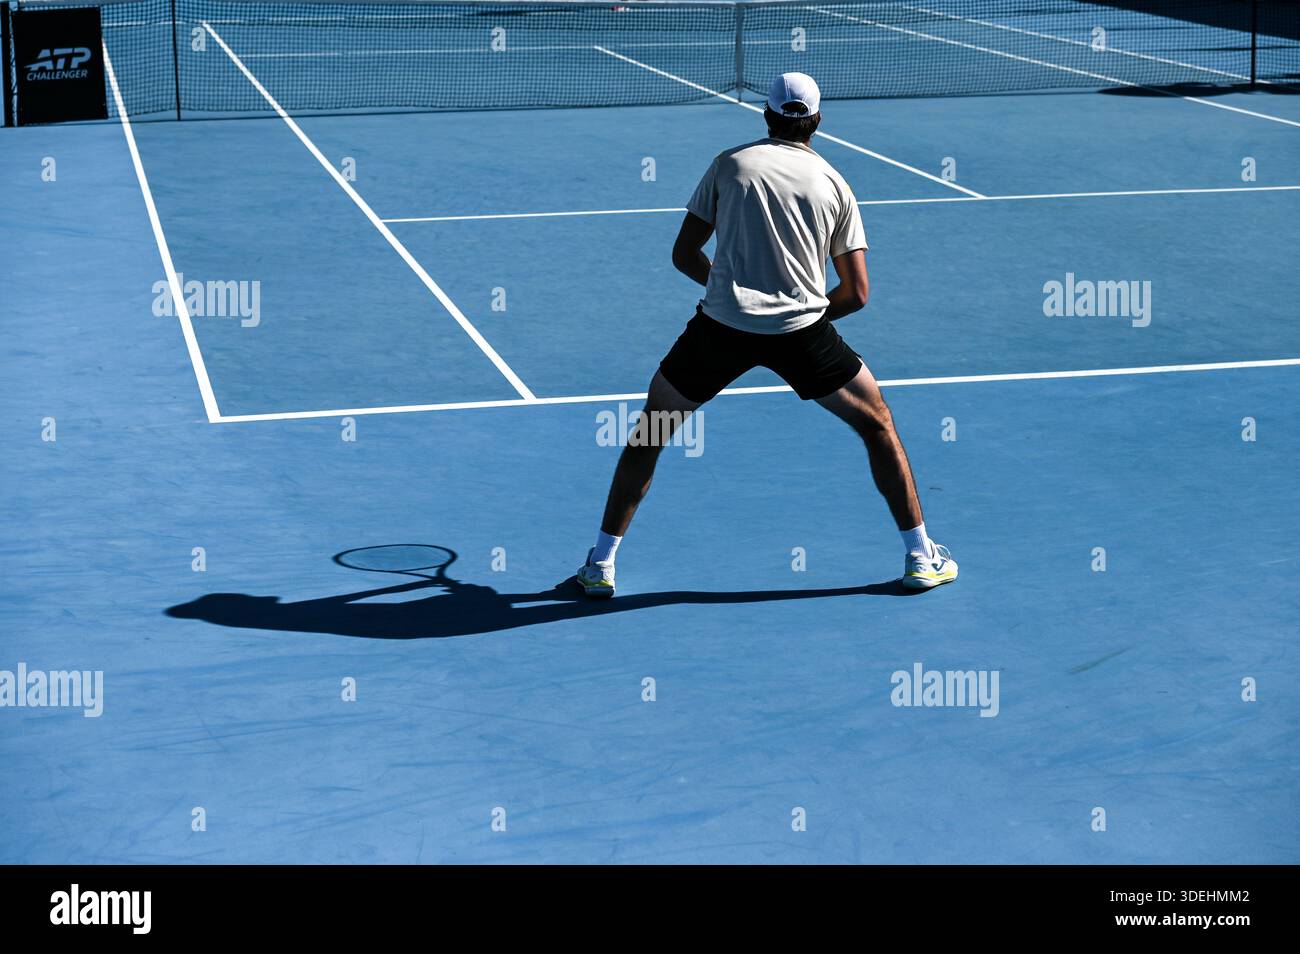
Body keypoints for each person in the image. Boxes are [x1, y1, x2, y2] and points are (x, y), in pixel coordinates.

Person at [577, 72, 957, 598]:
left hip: (719, 329)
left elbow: (684, 254)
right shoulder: (834, 184)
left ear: (767, 114)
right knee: (878, 426)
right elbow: (857, 293)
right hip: (803, 334)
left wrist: (732, 291)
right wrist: (798, 318)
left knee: (650, 433)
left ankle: (600, 564)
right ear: (817, 120)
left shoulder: (729, 165)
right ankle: (921, 557)